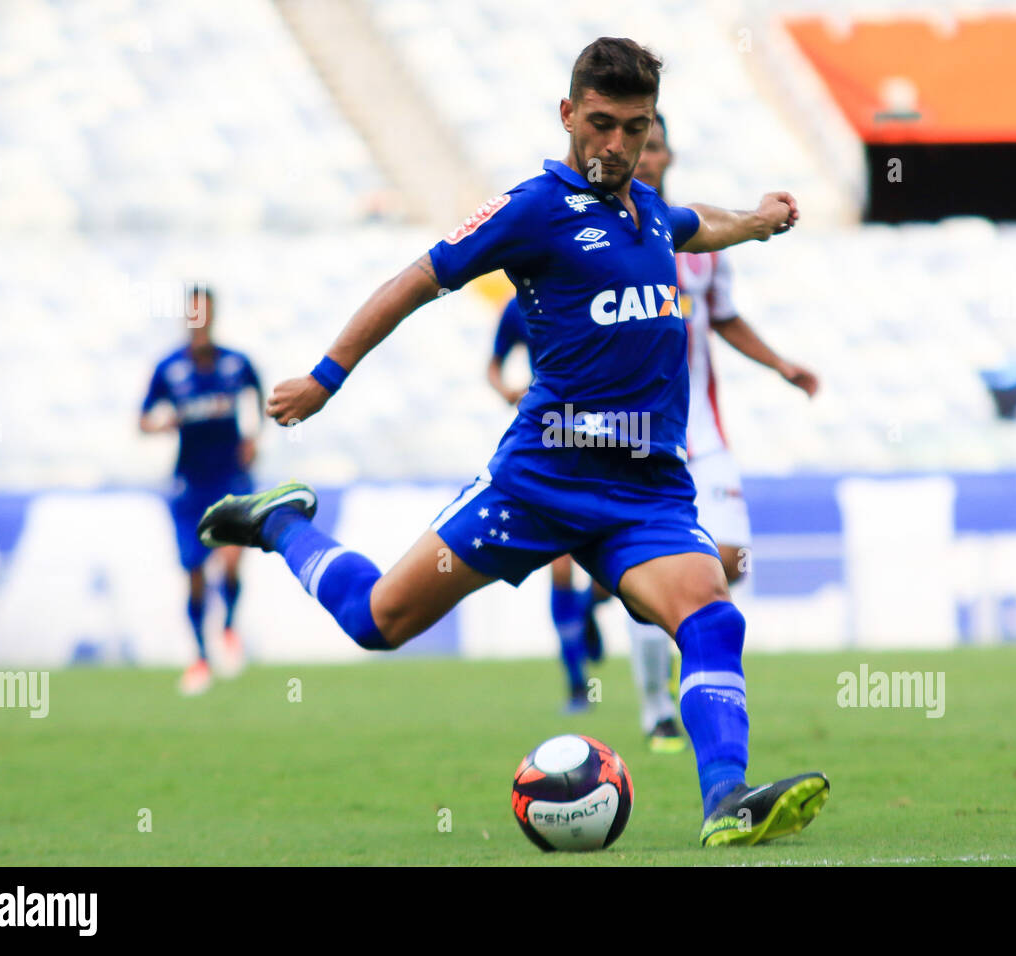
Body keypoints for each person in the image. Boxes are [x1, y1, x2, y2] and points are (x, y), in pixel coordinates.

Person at [199, 38, 829, 847]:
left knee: (711, 615)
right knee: (375, 621)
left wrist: (760, 220)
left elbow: (698, 223)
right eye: (600, 125)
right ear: (568, 114)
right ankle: (284, 521)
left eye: (633, 130)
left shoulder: (645, 214)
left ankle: (726, 801)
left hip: (644, 493)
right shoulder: (532, 208)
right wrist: (327, 375)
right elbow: (416, 280)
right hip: (536, 485)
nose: (615, 146)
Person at [624, 113, 818, 752]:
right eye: (636, 144)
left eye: (653, 145)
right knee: (663, 572)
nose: (645, 156)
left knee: (726, 559)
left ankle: (681, 662)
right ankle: (658, 706)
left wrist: (782, 363)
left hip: (702, 432)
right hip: (637, 440)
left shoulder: (698, 243)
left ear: (669, 155)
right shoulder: (605, 242)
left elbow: (725, 320)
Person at [487, 296, 611, 712]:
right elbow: (493, 364)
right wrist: (507, 389)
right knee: (560, 566)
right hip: (551, 436)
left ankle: (589, 605)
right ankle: (576, 683)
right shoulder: (516, 308)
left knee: (609, 561)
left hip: (603, 432)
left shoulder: (589, 288)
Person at [141, 285, 262, 695]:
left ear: (213, 315)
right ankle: (200, 657)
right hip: (189, 483)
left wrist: (253, 438)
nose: (199, 320)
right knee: (194, 575)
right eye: (193, 313)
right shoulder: (169, 368)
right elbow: (142, 419)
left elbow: (258, 398)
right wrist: (163, 423)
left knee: (229, 562)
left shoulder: (236, 363)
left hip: (230, 479)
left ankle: (228, 627)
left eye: (205, 312)